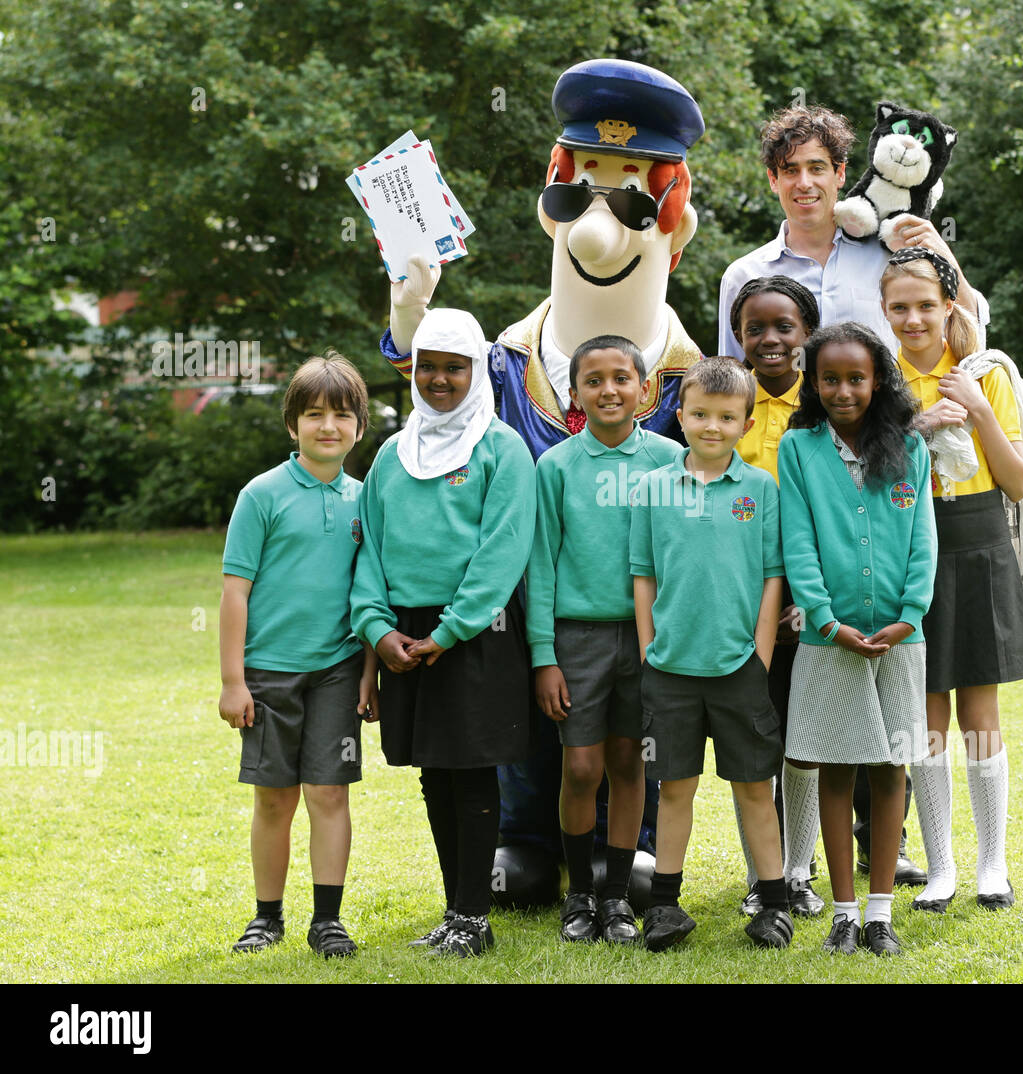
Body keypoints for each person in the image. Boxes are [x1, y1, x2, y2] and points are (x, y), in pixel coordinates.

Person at [378, 60, 708, 887]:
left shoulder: (688, 380)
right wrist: (410, 310)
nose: (599, 227)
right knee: (525, 713)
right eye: (578, 196)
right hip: (524, 593)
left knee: (632, 725)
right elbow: (435, 390)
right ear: (550, 207)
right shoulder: (503, 362)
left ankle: (621, 845)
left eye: (632, 200)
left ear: (672, 219)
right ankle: (526, 834)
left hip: (638, 599)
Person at [718, 103, 990, 884]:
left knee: (883, 678)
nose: (805, 183)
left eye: (819, 168)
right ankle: (786, 859)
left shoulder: (881, 250)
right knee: (795, 687)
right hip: (786, 497)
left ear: (845, 174)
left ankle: (885, 845)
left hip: (884, 491)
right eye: (789, 170)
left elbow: (963, 321)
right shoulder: (745, 274)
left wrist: (940, 253)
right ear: (772, 181)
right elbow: (730, 381)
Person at [350, 308, 536, 956]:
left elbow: (502, 551)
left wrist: (450, 631)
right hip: (403, 634)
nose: (439, 379)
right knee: (434, 770)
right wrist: (377, 629)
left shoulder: (501, 448)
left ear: (477, 370)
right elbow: (368, 548)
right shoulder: (394, 454)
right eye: (427, 366)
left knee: (473, 769)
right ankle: (456, 910)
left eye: (454, 367)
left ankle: (474, 920)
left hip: (475, 632)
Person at [880, 247, 1023, 913]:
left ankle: (991, 866)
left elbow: (1020, 481)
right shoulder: (877, 384)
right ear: (884, 314)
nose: (914, 319)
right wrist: (916, 427)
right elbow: (866, 477)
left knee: (980, 713)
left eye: (925, 306)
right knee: (923, 716)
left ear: (949, 307)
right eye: (899, 308)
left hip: (979, 542)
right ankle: (940, 870)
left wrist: (977, 411)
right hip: (912, 548)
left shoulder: (984, 374)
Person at [779, 322, 936, 955]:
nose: (844, 391)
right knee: (837, 769)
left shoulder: (910, 450)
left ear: (878, 380)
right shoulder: (799, 449)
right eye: (830, 380)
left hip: (901, 638)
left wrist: (910, 613)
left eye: (857, 379)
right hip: (829, 640)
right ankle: (843, 913)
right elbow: (798, 542)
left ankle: (879, 914)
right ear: (813, 385)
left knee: (890, 765)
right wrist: (826, 621)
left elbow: (924, 539)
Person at [630, 357, 792, 952]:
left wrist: (762, 656)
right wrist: (650, 651)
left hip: (739, 668)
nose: (712, 427)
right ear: (681, 415)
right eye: (700, 414)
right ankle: (666, 906)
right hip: (670, 670)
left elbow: (774, 576)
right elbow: (642, 575)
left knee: (754, 786)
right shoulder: (652, 488)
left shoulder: (761, 489)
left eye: (727, 417)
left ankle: (773, 903)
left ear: (747, 423)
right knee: (674, 788)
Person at [219, 351, 375, 958]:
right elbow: (236, 593)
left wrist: (368, 674)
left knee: (329, 793)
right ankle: (267, 916)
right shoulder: (262, 496)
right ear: (293, 425)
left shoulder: (368, 500)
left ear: (360, 427)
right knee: (275, 798)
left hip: (337, 672)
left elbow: (371, 597)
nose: (328, 427)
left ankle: (328, 920)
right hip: (267, 675)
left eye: (341, 416)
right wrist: (234, 681)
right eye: (314, 415)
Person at [527, 335, 680, 945]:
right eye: (594, 380)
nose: (609, 389)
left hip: (647, 640)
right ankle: (579, 895)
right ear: (574, 393)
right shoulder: (556, 467)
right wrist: (543, 656)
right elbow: (539, 565)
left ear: (645, 390)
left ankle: (617, 895)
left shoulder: (671, 461)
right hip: (577, 638)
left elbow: (681, 556)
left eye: (622, 378)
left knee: (629, 763)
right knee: (582, 765)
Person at [727, 275, 825, 918]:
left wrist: (807, 597)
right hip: (739, 594)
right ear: (737, 337)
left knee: (805, 739)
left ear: (806, 334)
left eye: (783, 326)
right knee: (749, 739)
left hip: (813, 591)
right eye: (754, 328)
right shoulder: (723, 402)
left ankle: (800, 872)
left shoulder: (825, 405)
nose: (769, 339)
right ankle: (761, 873)